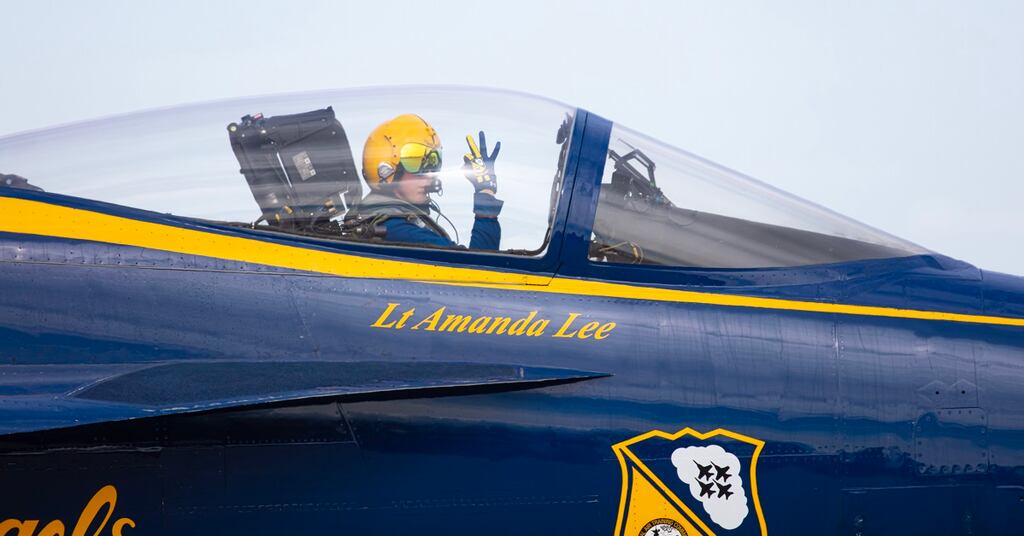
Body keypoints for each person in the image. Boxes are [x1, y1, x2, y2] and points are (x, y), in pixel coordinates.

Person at [347, 113, 503, 250]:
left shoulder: (393, 221)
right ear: (386, 170)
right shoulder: (395, 229)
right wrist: (485, 195)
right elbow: (476, 266)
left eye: (434, 162)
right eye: (415, 163)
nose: (429, 175)